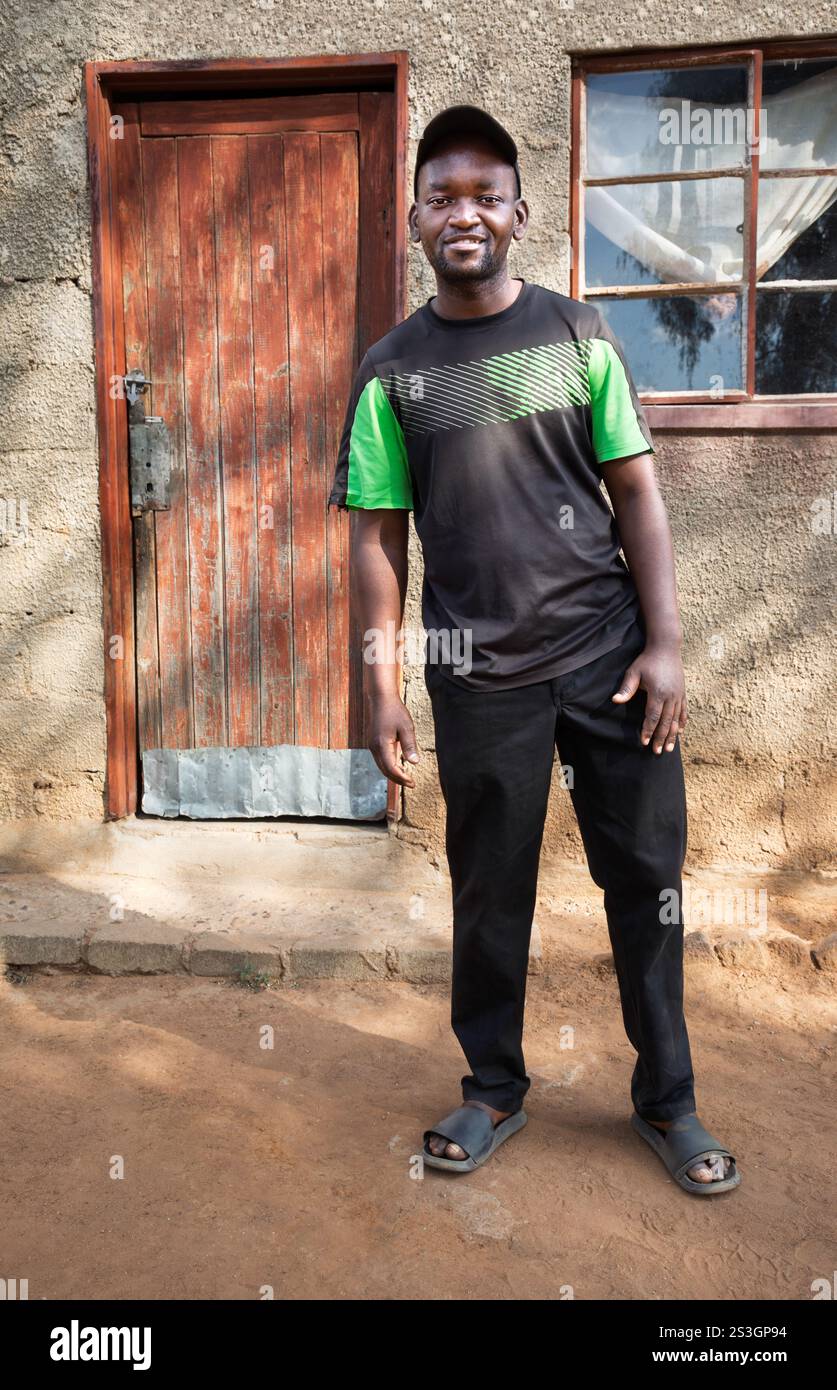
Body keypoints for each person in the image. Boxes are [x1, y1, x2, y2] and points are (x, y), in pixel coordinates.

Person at [328, 105, 740, 1195]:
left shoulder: (579, 337)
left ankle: (671, 1101)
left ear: (518, 212)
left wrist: (666, 645)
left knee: (646, 877)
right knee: (489, 884)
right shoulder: (392, 370)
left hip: (609, 658)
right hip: (478, 678)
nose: (463, 213)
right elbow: (377, 540)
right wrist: (381, 683)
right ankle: (493, 1084)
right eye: (440, 196)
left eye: (484, 195)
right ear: (415, 219)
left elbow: (638, 496)